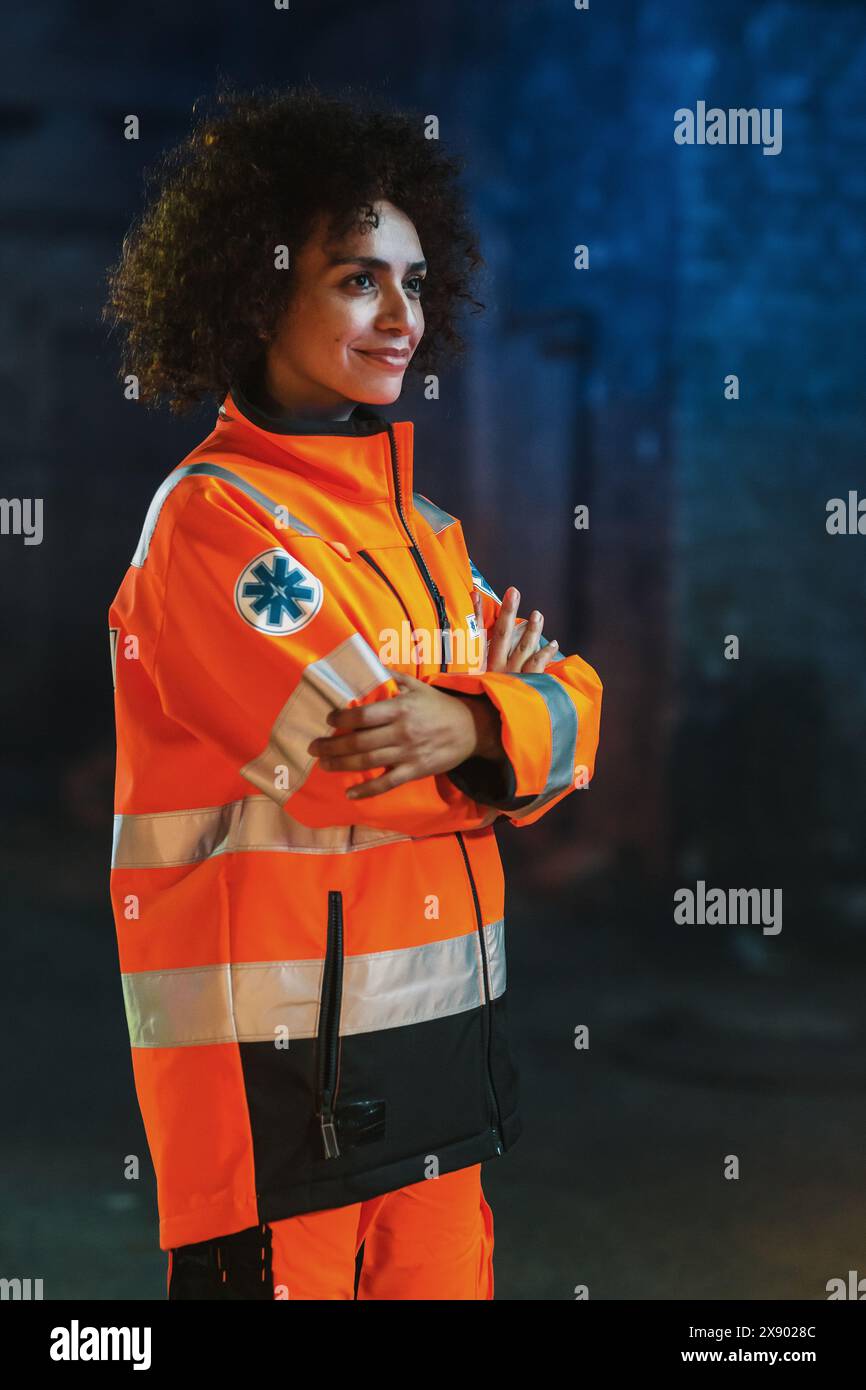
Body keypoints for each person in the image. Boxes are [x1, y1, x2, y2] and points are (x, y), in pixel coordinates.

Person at [102, 79, 603, 1300]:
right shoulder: (212, 524)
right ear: (256, 284)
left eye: (417, 282)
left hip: (440, 1086)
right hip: (279, 1109)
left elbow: (579, 708)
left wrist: (481, 721)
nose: (400, 317)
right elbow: (356, 764)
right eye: (356, 278)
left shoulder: (424, 529)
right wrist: (497, 729)